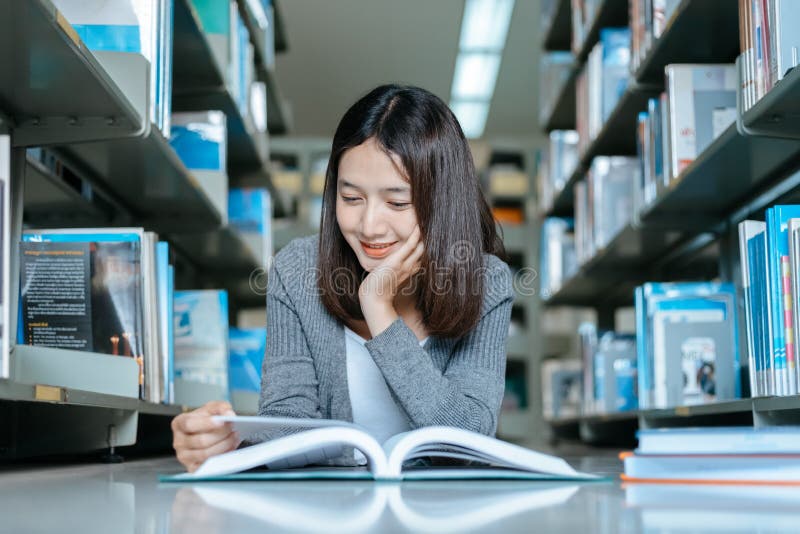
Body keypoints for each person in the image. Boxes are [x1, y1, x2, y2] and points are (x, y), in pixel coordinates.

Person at [171, 84, 514, 472]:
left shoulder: (488, 282)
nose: (369, 226)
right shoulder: (297, 269)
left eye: (397, 202)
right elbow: (289, 418)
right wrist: (228, 442)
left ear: (442, 203)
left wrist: (380, 310)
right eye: (351, 198)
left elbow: (469, 437)